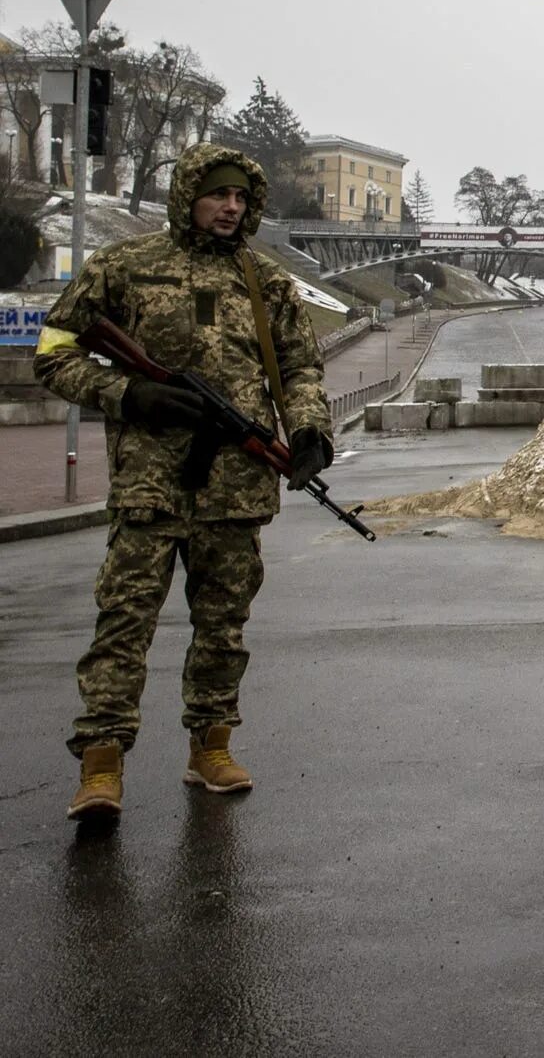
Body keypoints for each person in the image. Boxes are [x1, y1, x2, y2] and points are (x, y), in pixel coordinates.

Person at [35, 143, 334, 820]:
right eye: (217, 195)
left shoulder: (267, 283)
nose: (230, 208)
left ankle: (212, 747)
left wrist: (311, 430)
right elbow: (54, 354)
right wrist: (128, 394)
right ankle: (102, 762)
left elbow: (300, 370)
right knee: (123, 624)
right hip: (149, 486)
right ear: (188, 196)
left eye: (239, 199)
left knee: (223, 628)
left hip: (235, 490)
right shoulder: (123, 268)